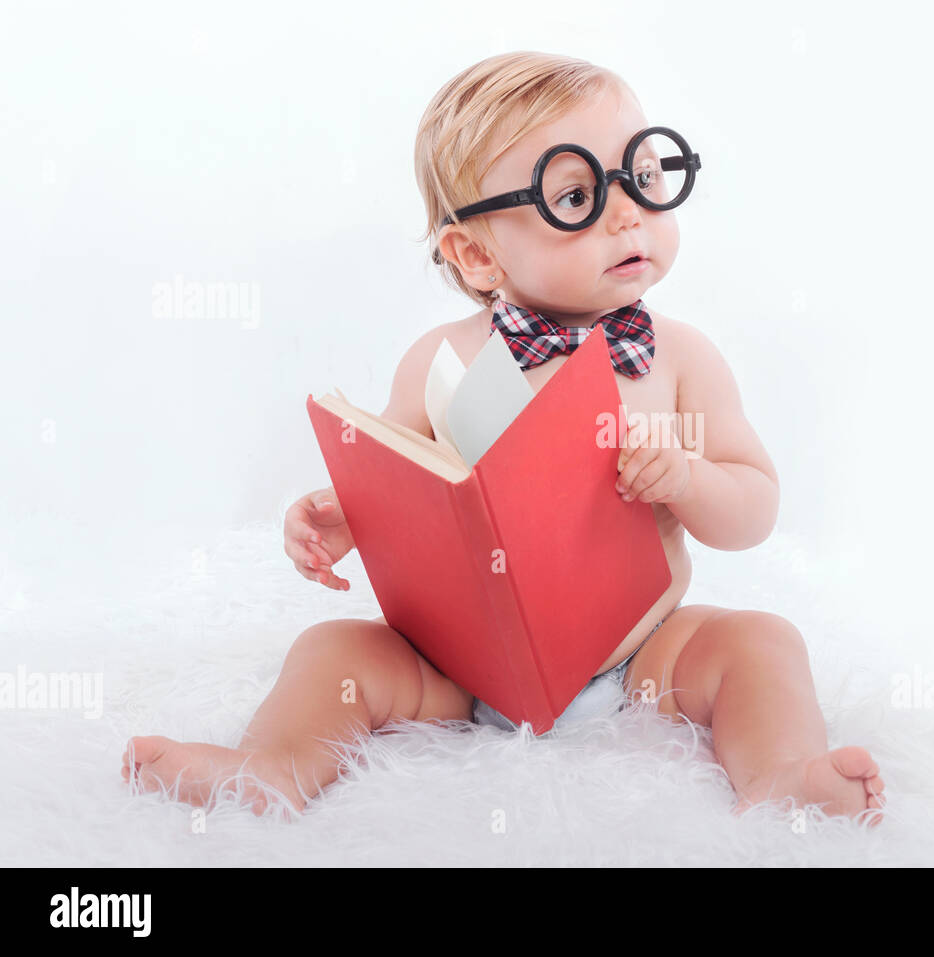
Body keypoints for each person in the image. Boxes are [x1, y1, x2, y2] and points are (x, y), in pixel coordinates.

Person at [121, 51, 885, 825]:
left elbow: (753, 509)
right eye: (578, 195)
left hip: (638, 661)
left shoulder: (680, 357)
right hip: (457, 668)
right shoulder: (440, 361)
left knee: (762, 641)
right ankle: (275, 764)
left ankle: (782, 772)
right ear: (478, 256)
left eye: (643, 179)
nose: (628, 214)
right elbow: (400, 485)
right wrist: (344, 515)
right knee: (330, 651)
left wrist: (687, 478)